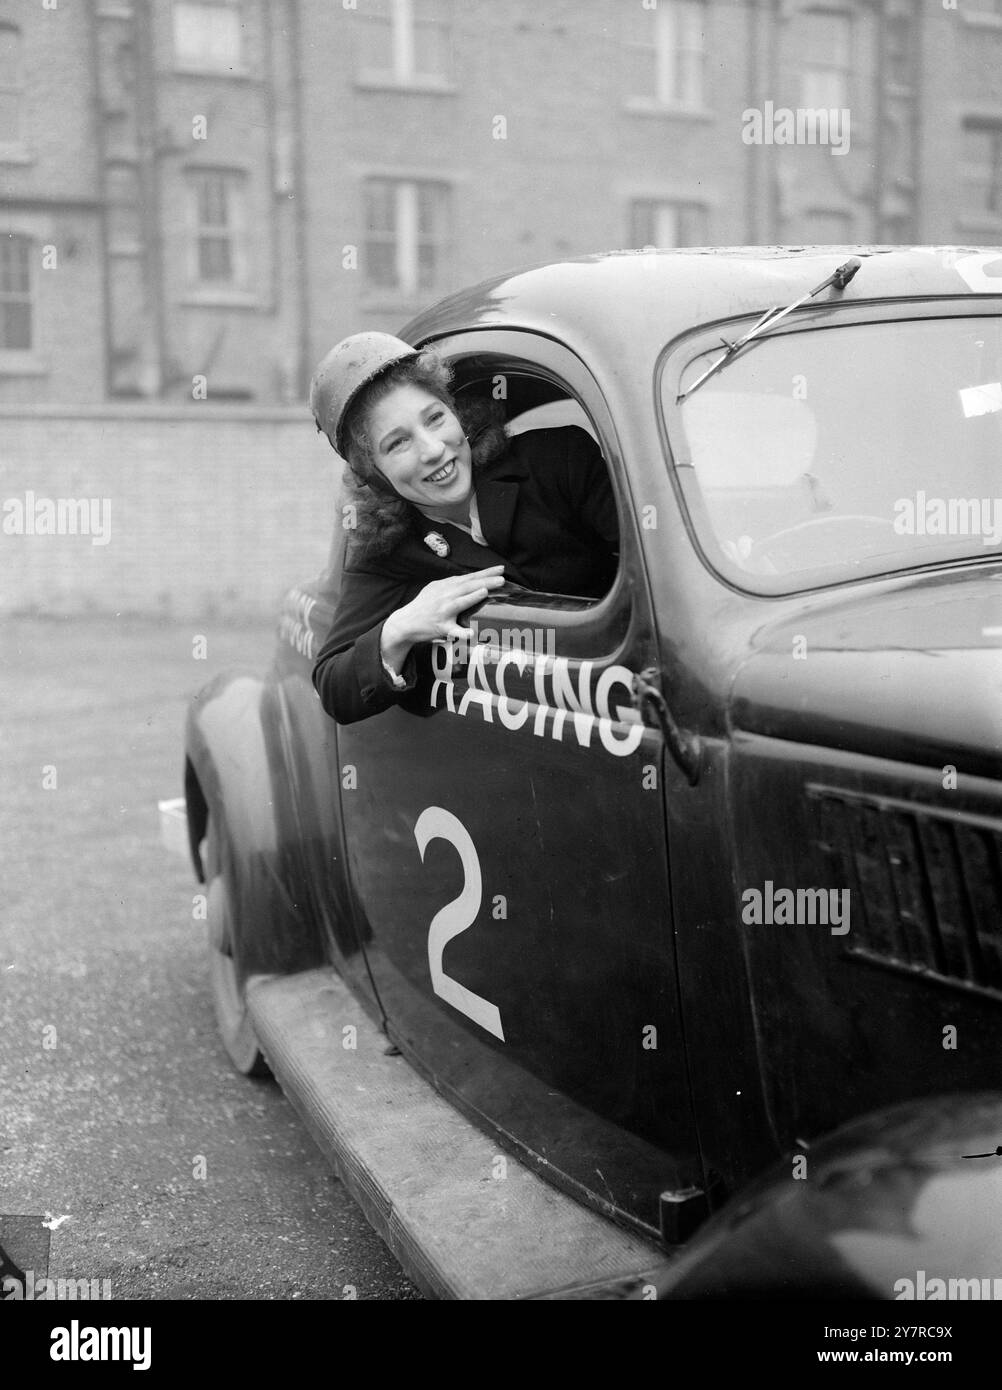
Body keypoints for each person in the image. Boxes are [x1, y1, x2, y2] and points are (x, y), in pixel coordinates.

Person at [310, 332, 619, 725]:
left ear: (454, 412)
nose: (434, 449)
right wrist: (401, 626)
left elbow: (657, 569)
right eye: (398, 443)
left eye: (435, 418)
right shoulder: (385, 553)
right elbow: (334, 685)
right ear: (374, 474)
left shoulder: (562, 461)